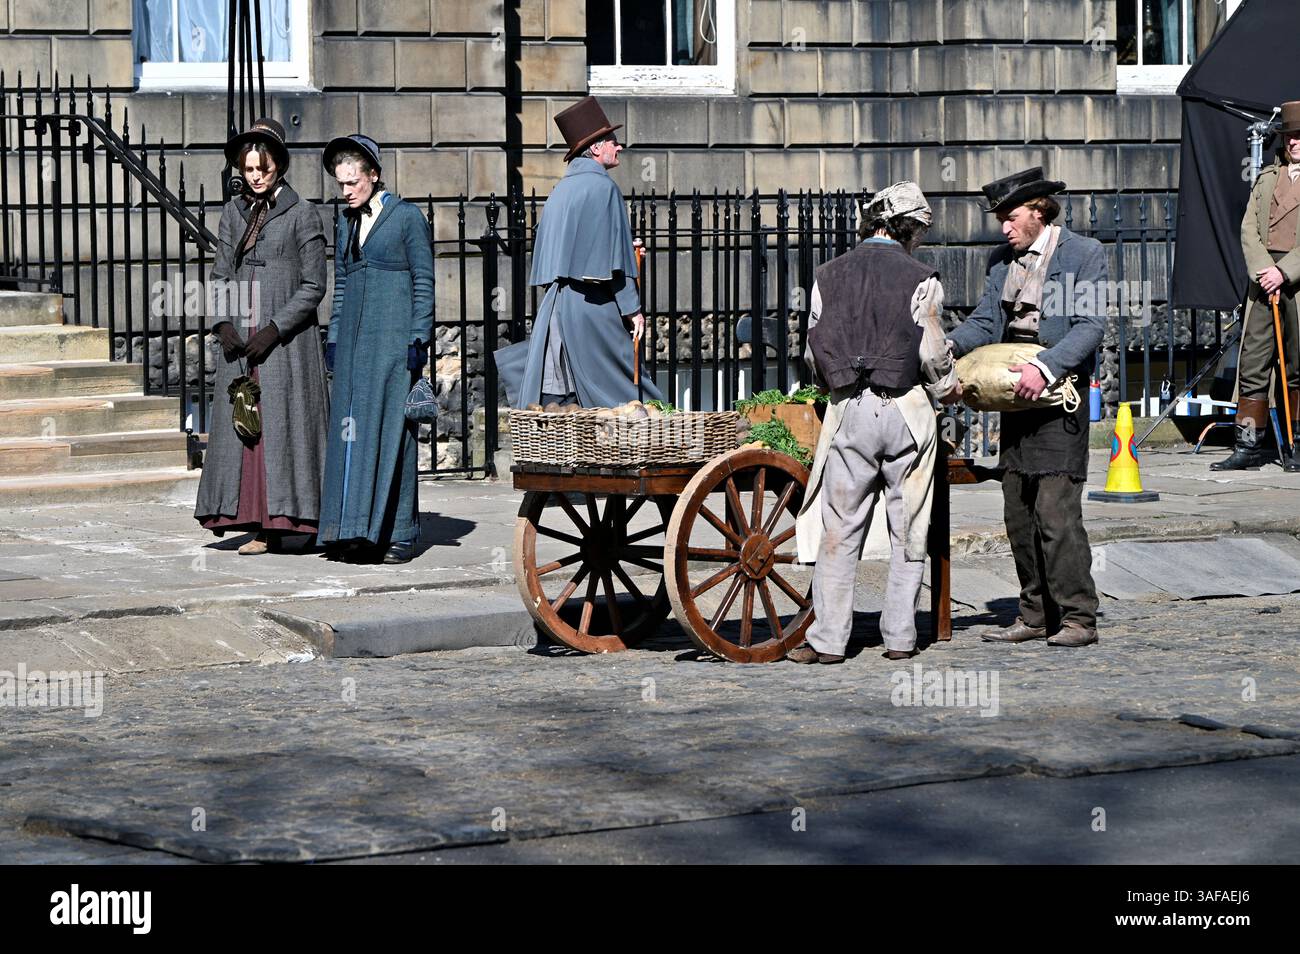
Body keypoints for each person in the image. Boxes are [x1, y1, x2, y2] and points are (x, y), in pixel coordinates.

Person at [787, 182, 961, 664]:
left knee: (840, 529)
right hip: (906, 409)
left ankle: (828, 641)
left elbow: (812, 351)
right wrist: (949, 387)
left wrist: (837, 384)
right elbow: (930, 353)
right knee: (910, 526)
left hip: (849, 410)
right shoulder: (922, 276)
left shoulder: (827, 274)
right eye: (919, 232)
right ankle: (901, 637)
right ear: (908, 228)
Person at [947, 167, 1106, 648]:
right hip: (1012, 396)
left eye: (1011, 218)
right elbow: (982, 322)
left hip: (1059, 397)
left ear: (1039, 211)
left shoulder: (1083, 254)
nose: (1004, 228)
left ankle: (1079, 617)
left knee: (1056, 513)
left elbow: (1090, 325)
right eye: (1001, 220)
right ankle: (1034, 615)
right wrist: (947, 348)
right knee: (1018, 513)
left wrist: (1048, 367)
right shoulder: (1001, 260)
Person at [194, 118, 329, 555]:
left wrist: (274, 329)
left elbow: (313, 285)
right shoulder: (234, 212)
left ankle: (283, 524)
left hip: (285, 346)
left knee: (282, 429)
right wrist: (223, 324)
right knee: (244, 425)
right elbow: (220, 275)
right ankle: (249, 518)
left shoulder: (302, 213)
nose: (255, 177)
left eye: (263, 170)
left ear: (279, 167)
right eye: (249, 169)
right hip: (241, 340)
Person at [318, 134, 434, 564]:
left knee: (394, 433)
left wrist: (418, 339)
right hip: (352, 343)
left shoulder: (406, 218)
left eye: (354, 183)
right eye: (341, 184)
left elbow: (424, 280)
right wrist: (333, 337)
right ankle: (351, 530)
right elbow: (342, 283)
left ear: (374, 176)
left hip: (392, 341)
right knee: (352, 435)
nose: (346, 191)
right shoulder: (345, 221)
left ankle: (398, 532)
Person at [505, 95, 663, 409]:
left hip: (557, 307)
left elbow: (575, 247)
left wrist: (621, 247)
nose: (619, 147)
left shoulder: (561, 190)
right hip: (593, 307)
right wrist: (633, 310)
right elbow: (611, 265)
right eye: (613, 141)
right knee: (629, 397)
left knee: (567, 399)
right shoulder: (604, 188)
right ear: (595, 148)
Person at [1216, 100, 1300, 472]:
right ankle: (1248, 446)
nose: (1294, 143)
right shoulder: (1267, 177)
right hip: (1264, 281)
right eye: (1290, 137)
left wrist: (1285, 272)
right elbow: (1249, 228)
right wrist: (1266, 270)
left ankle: (1297, 443)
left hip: (1296, 282)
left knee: (1297, 366)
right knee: (1253, 363)